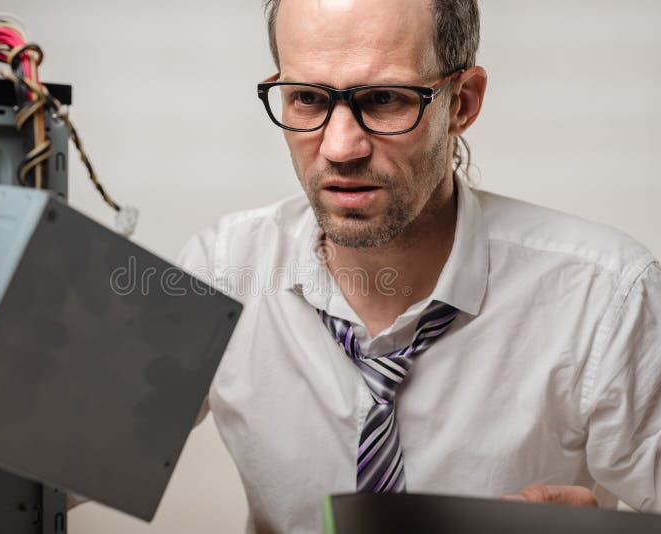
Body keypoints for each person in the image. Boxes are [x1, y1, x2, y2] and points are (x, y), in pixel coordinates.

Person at [177, 0, 661, 532]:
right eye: (308, 98)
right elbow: (74, 465)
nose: (340, 147)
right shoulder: (220, 271)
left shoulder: (607, 298)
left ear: (463, 102)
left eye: (384, 99)